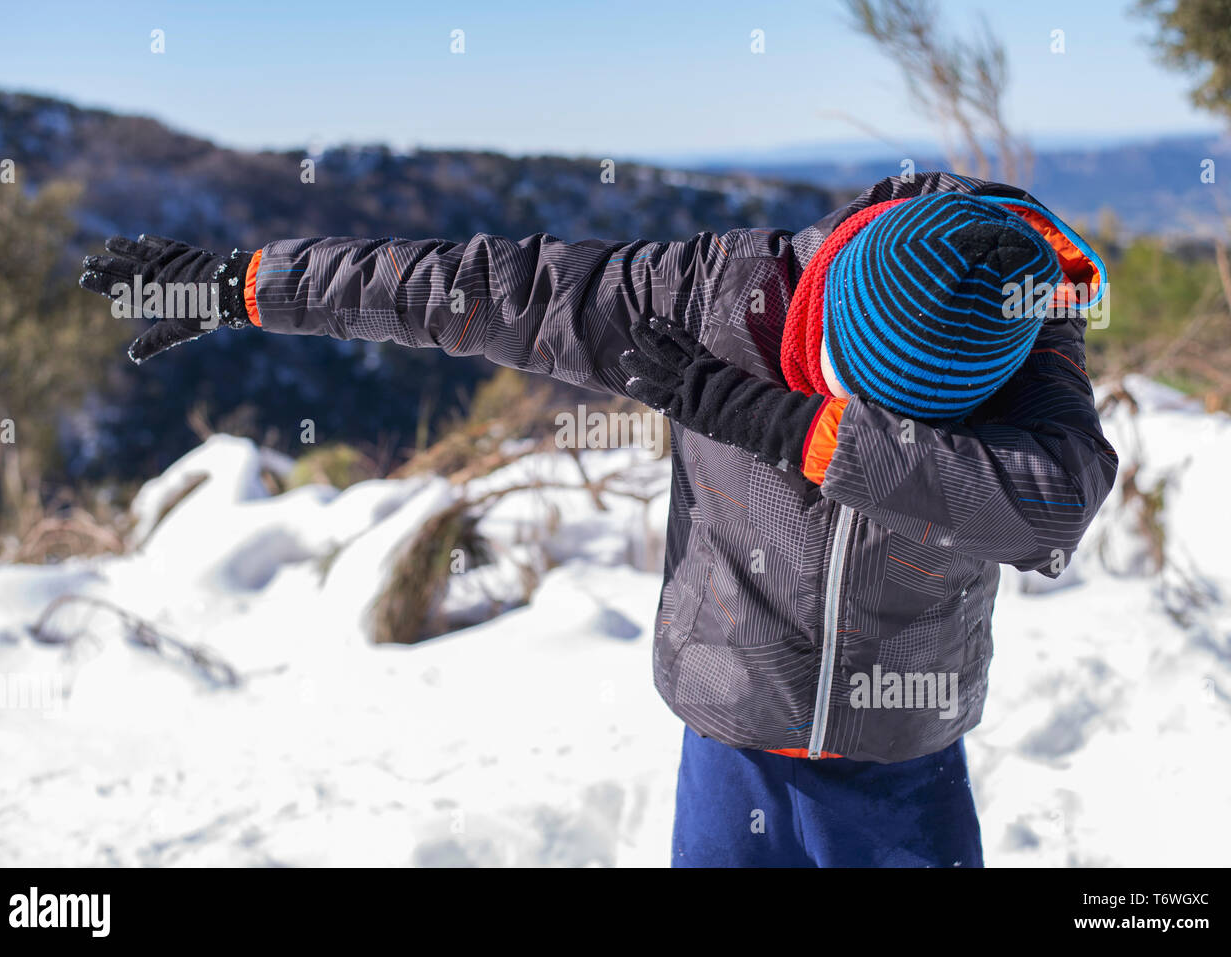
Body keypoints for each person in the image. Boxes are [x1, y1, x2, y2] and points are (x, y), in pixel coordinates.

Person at [80, 171, 1117, 867]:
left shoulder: (1025, 329)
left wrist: (776, 424)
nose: (865, 433)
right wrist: (244, 285)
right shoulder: (712, 295)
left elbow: (1052, 507)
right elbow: (474, 288)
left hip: (905, 749)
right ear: (829, 305)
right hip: (734, 725)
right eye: (845, 388)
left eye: (916, 424)